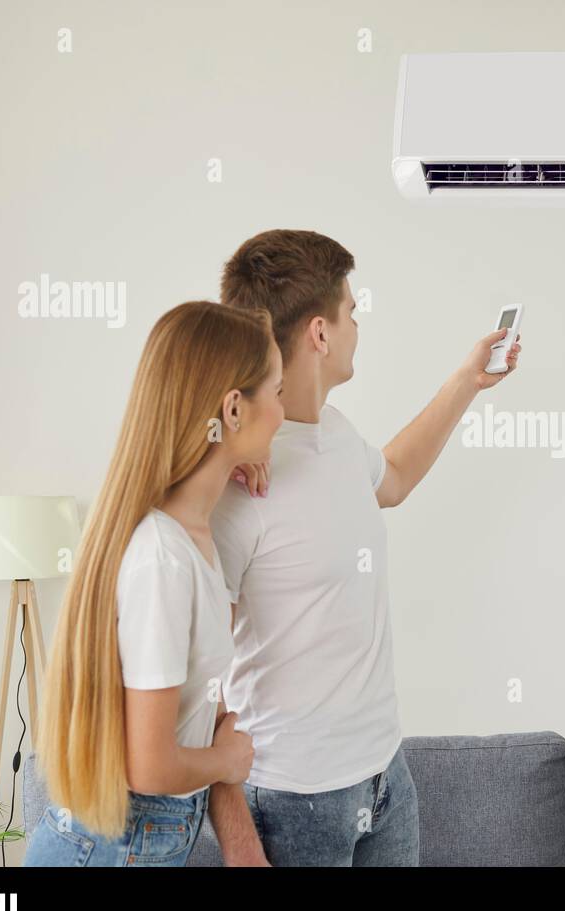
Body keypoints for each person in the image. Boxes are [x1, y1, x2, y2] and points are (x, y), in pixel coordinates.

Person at [208, 229, 521, 866]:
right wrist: (239, 840)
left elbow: (395, 478)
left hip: (385, 778)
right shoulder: (235, 484)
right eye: (352, 312)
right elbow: (196, 685)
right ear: (320, 333)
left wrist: (467, 380)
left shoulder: (337, 435)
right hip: (293, 799)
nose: (359, 324)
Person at [25, 301, 285, 866]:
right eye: (278, 393)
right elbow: (150, 764)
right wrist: (228, 761)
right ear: (234, 408)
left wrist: (231, 463)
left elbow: (191, 700)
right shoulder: (163, 557)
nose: (285, 415)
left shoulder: (192, 535)